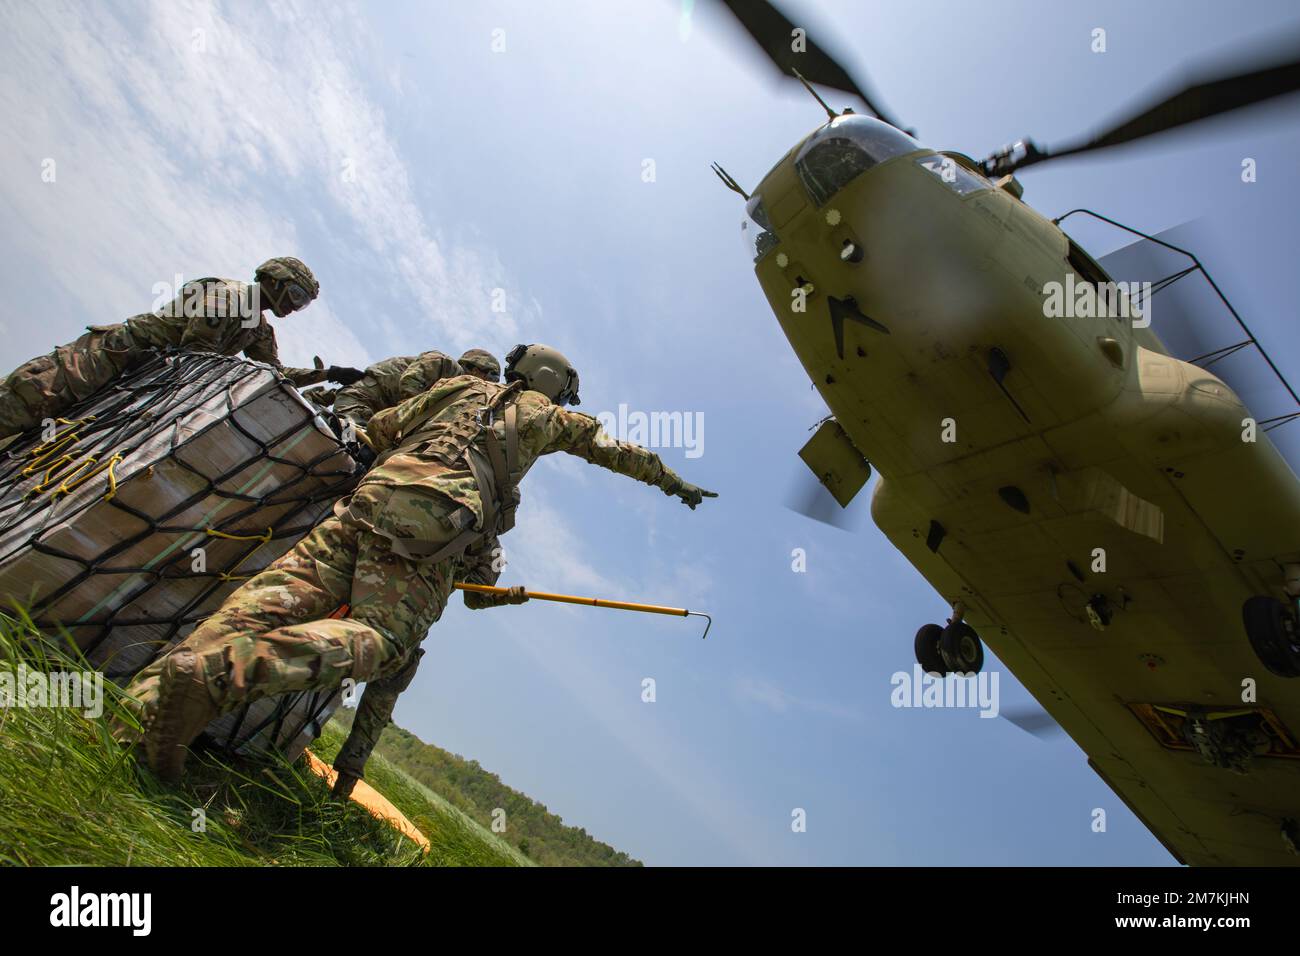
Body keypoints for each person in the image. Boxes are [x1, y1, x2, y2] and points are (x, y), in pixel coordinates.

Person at [113, 343, 716, 783]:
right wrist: (675, 483)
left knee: (270, 597)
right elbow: (614, 450)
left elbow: (380, 428)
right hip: (427, 535)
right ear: (555, 385)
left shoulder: (456, 387)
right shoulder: (548, 417)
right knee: (382, 642)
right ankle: (222, 673)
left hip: (366, 503)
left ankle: (135, 718)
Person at [0, 257, 363, 438]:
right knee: (19, 411)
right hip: (97, 364)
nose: (294, 308)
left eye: (302, 305)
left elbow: (272, 373)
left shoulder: (258, 327)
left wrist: (326, 375)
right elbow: (194, 356)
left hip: (128, 385)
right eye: (296, 296)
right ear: (274, 280)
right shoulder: (230, 297)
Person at [333, 348, 501, 429]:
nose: (489, 383)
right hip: (364, 399)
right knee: (348, 439)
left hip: (380, 419)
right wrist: (406, 417)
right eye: (491, 376)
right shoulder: (446, 365)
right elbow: (410, 381)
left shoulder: (454, 395)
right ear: (476, 368)